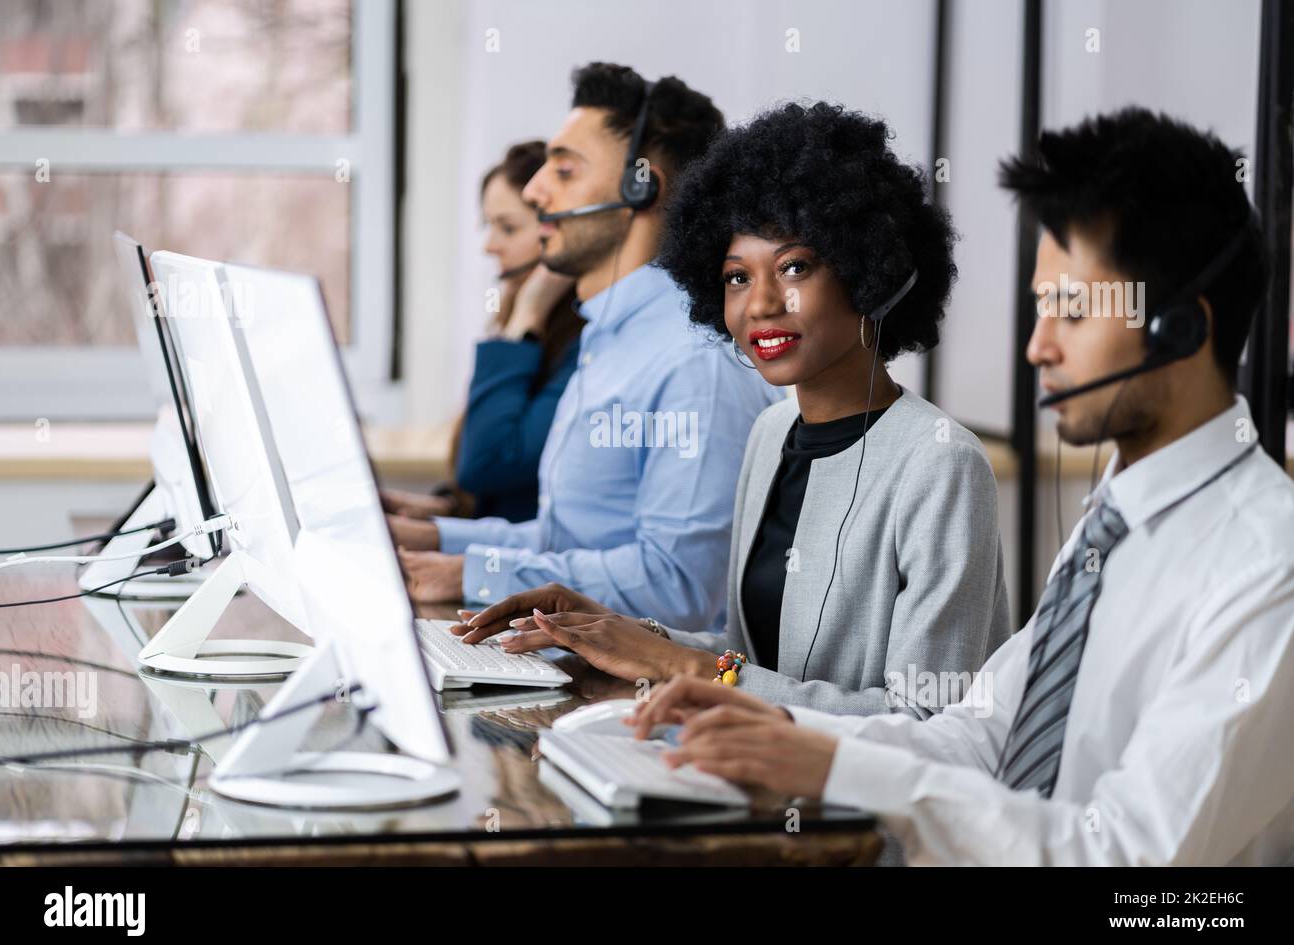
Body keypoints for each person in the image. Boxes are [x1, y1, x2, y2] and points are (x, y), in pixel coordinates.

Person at [626, 108, 1294, 866]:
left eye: (1073, 310)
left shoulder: (1267, 567)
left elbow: (1131, 865)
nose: (1038, 346)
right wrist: (775, 729)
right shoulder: (1116, 521)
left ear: (1181, 328)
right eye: (1043, 308)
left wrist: (830, 763)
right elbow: (975, 732)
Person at [454, 103, 1010, 715]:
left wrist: (684, 666)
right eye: (737, 277)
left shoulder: (939, 463)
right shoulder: (772, 433)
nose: (761, 303)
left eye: (795, 267)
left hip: (858, 806)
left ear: (865, 271)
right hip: (749, 777)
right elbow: (758, 665)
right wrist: (627, 635)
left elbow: (929, 726)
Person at [392, 63, 779, 631]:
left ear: (641, 186)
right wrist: (436, 542)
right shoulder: (608, 337)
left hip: (638, 701)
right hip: (573, 655)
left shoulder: (696, 362)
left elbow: (678, 584)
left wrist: (469, 575)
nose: (534, 190)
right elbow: (567, 537)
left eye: (565, 171)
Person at [381, 141, 583, 524]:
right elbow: (501, 483)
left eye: (507, 227)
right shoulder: (524, 323)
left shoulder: (585, 343)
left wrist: (527, 317)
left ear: (557, 229)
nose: (490, 246)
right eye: (488, 226)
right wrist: (443, 509)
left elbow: (487, 462)